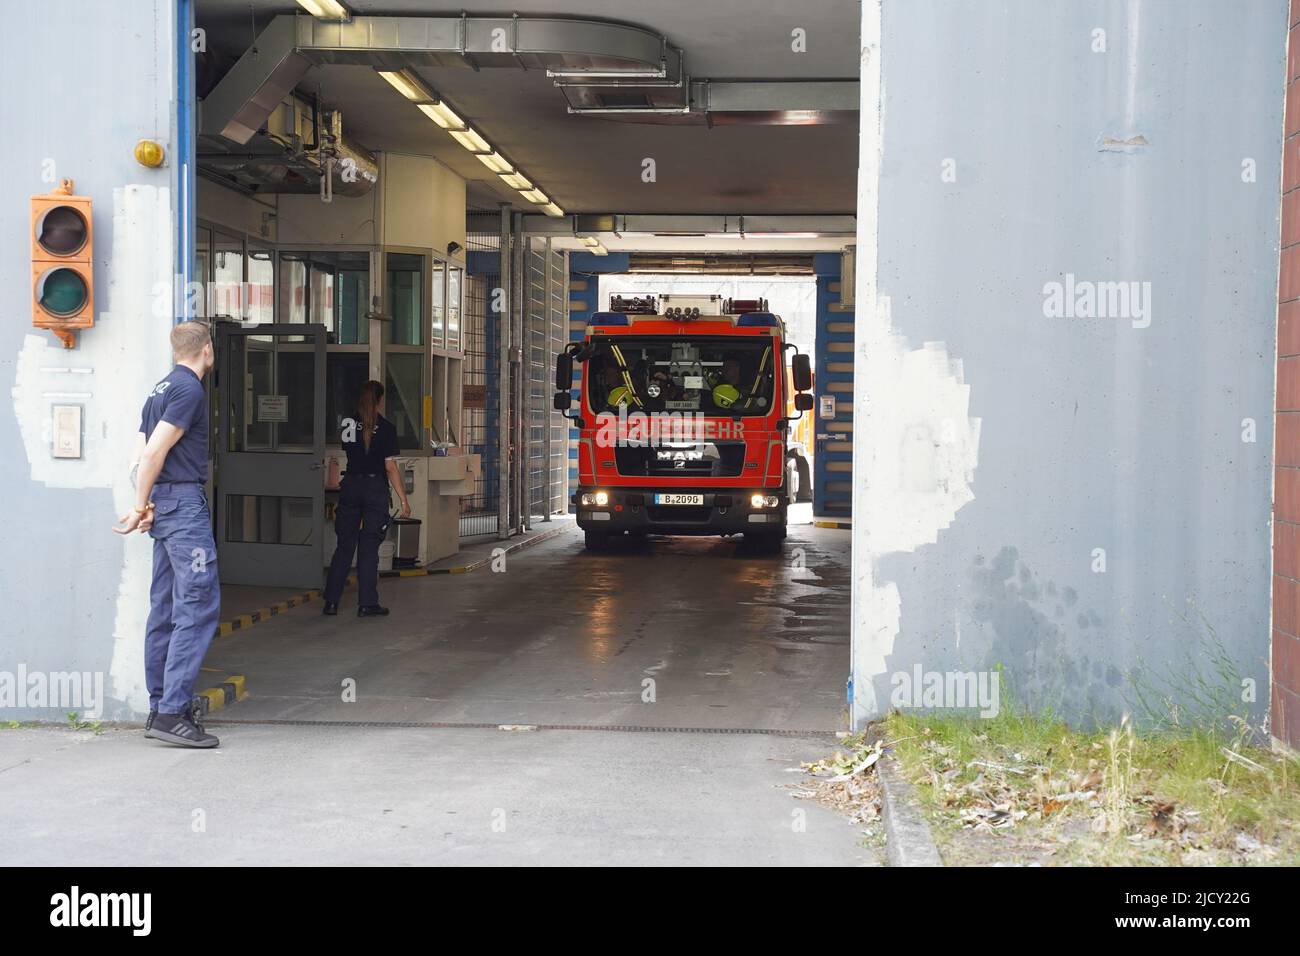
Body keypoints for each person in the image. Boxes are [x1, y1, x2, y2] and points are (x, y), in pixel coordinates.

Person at [113, 321, 221, 749]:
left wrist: (146, 500)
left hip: (164, 505)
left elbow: (138, 455)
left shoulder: (157, 390)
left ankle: (161, 706)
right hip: (181, 509)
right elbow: (156, 451)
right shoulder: (189, 390)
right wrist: (142, 505)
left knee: (165, 606)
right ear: (207, 350)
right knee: (197, 602)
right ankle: (174, 711)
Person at [323, 380, 411, 617]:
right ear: (380, 400)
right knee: (369, 548)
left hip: (350, 485)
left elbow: (349, 449)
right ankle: (367, 603)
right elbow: (390, 468)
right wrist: (403, 500)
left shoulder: (348, 423)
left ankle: (331, 602)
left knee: (344, 547)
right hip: (374, 488)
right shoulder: (386, 428)